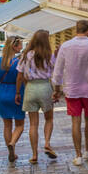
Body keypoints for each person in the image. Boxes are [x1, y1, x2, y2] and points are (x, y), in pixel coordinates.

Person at [52, 19, 88, 166]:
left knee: (75, 121)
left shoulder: (65, 46)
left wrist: (56, 90)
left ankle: (78, 155)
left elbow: (57, 71)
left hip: (72, 89)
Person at [16, 29, 57, 164]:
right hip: (45, 87)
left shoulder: (26, 55)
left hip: (31, 89)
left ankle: (34, 155)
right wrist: (56, 91)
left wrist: (17, 92)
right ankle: (47, 143)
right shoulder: (49, 56)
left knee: (33, 124)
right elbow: (55, 76)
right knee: (49, 119)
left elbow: (20, 75)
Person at [0, 36, 25, 162]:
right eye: (20, 45)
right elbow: (21, 79)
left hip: (2, 93)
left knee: (7, 125)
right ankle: (12, 142)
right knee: (20, 124)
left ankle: (11, 151)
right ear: (14, 47)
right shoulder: (19, 62)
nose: (21, 47)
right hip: (15, 93)